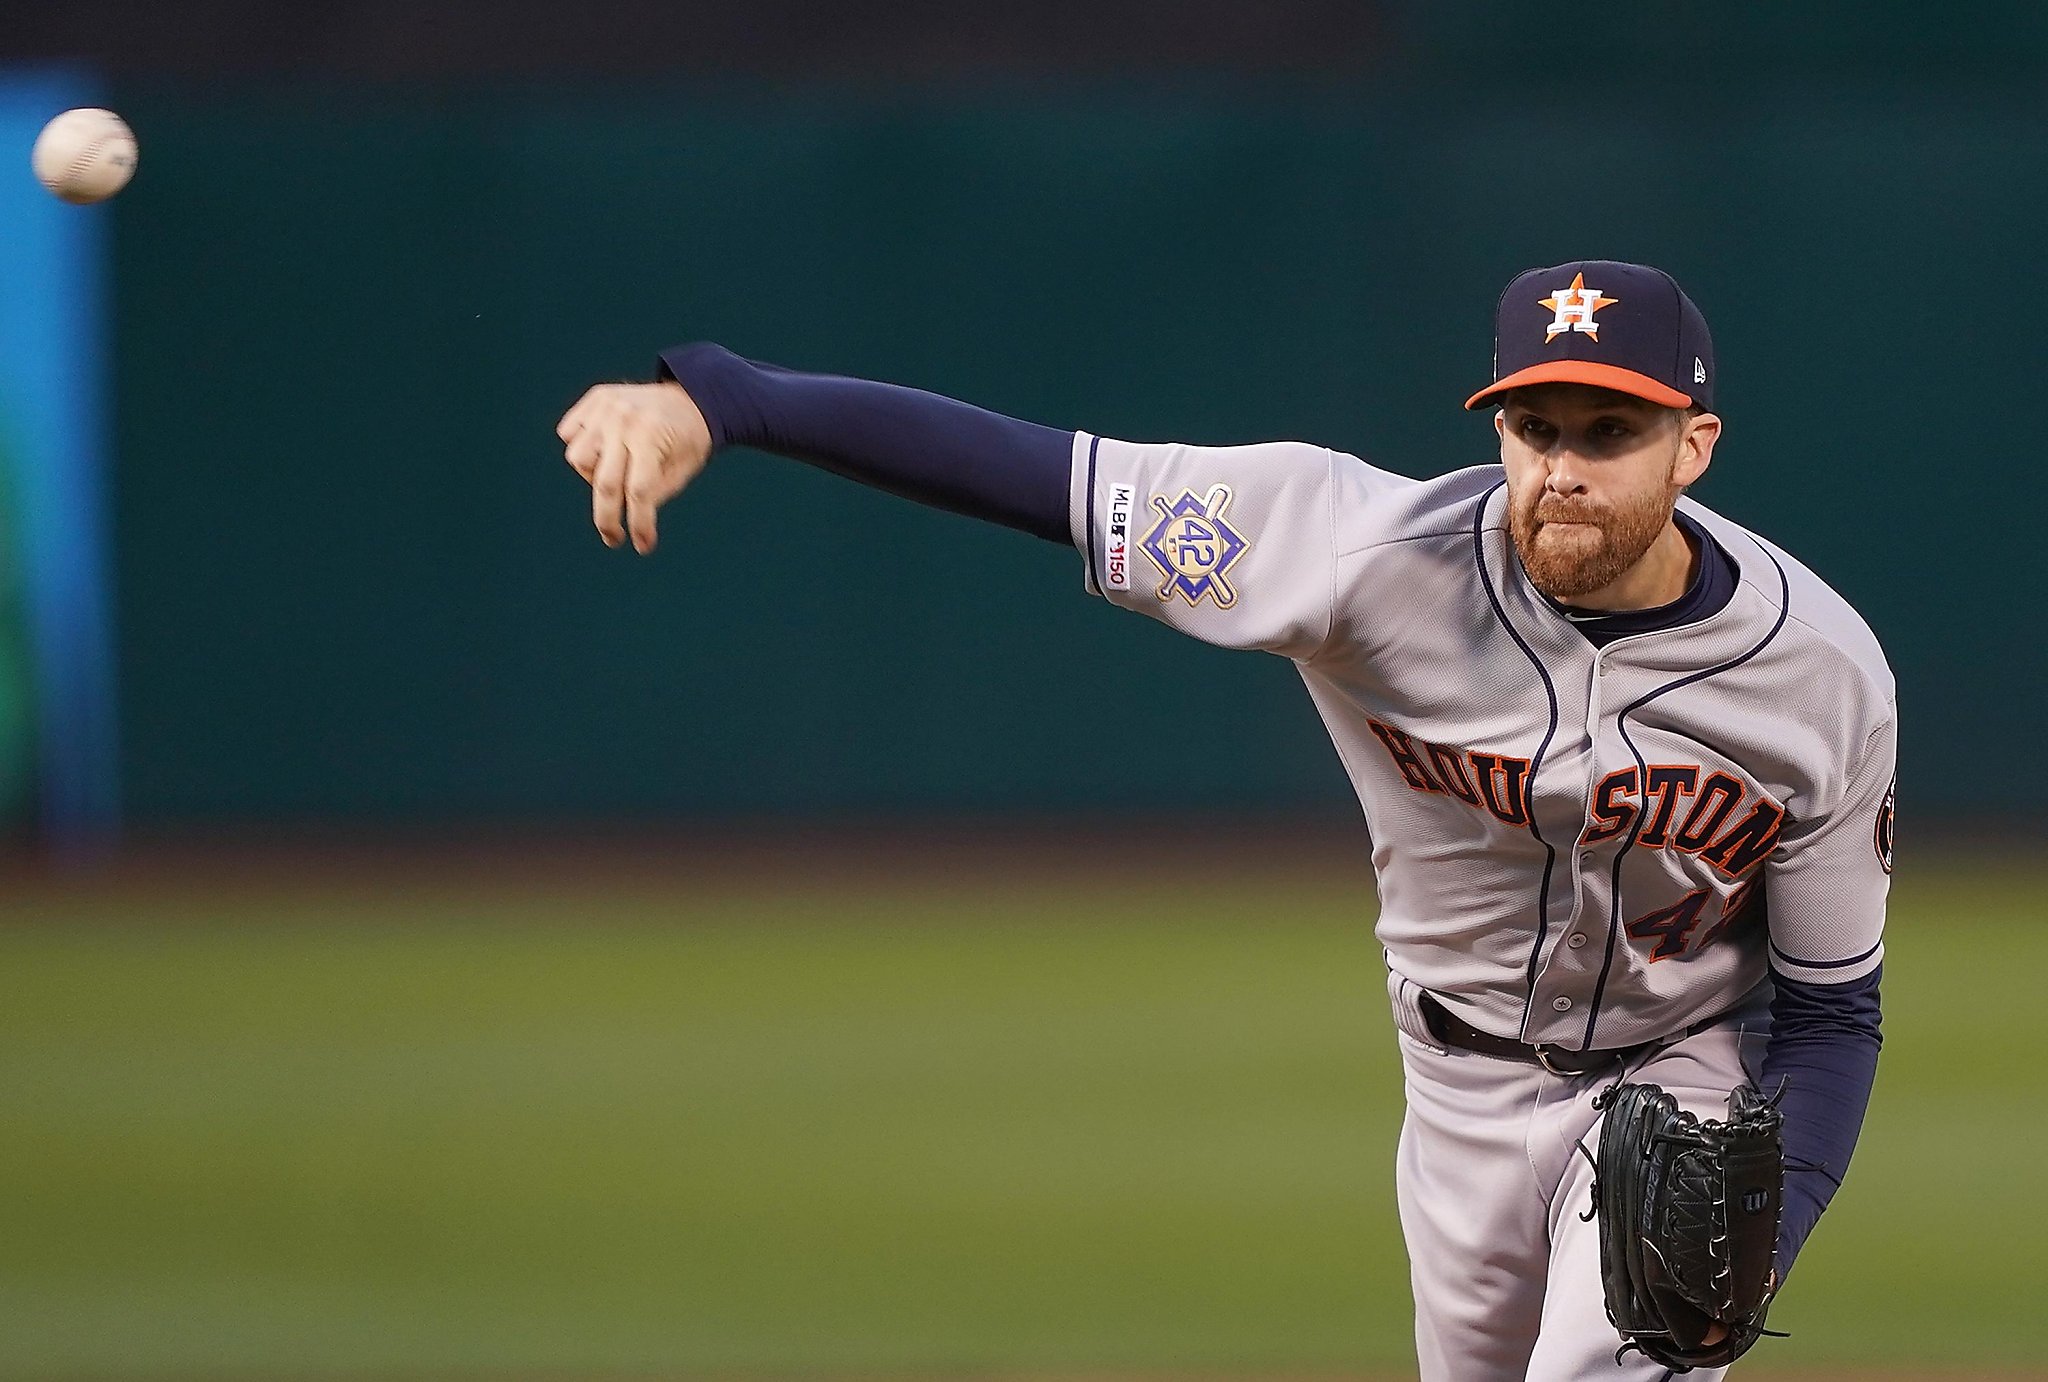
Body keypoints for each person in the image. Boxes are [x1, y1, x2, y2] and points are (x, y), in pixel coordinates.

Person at [557, 260, 1891, 1380]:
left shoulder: (1819, 672)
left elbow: (1832, 1010)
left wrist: (1765, 1228)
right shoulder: (1352, 549)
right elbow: (1034, 473)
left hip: (1682, 1075)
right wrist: (725, 401)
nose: (1565, 468)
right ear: (1496, 431)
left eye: (1611, 432)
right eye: (1538, 427)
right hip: (1457, 1090)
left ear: (1694, 446)